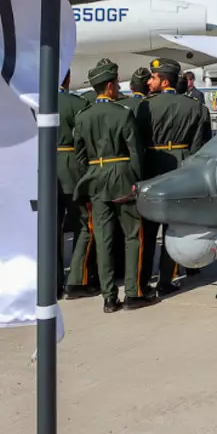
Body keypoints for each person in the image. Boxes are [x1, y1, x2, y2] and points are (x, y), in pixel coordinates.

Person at [73, 61, 153, 312]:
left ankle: (108, 297)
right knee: (132, 236)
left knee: (103, 239)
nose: (119, 87)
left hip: (95, 178)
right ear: (109, 86)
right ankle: (133, 292)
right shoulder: (122, 113)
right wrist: (137, 181)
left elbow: (79, 157)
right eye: (117, 83)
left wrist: (89, 177)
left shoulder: (83, 116)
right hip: (121, 176)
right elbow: (135, 153)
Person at [136, 58, 208, 296]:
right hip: (180, 169)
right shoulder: (196, 107)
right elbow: (199, 148)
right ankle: (166, 280)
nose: (149, 81)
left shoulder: (144, 106)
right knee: (173, 229)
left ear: (164, 80)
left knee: (147, 231)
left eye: (153, 77)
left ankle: (142, 282)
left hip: (150, 168)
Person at [58, 71, 99, 300]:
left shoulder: (35, 103)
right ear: (68, 78)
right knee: (85, 223)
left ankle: (51, 282)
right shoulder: (78, 104)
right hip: (73, 168)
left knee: (50, 228)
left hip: (44, 168)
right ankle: (77, 279)